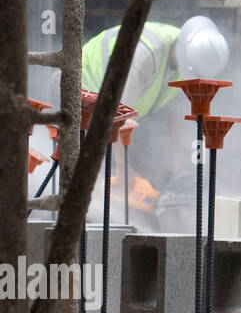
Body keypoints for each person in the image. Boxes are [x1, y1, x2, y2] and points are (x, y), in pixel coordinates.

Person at [81, 16, 230, 196]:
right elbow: (117, 113)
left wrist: (177, 166)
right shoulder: (145, 56)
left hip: (118, 109)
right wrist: (122, 168)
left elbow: (177, 113)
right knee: (87, 171)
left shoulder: (189, 54)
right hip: (82, 87)